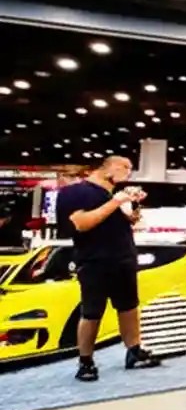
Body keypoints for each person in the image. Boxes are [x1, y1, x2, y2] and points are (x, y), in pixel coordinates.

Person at [56, 156, 162, 382]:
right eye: (125, 167)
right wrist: (115, 202)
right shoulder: (76, 192)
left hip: (123, 258)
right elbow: (81, 223)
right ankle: (86, 361)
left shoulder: (109, 195)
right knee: (92, 311)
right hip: (94, 261)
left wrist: (133, 205)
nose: (128, 173)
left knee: (129, 307)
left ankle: (134, 350)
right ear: (108, 168)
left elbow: (127, 221)